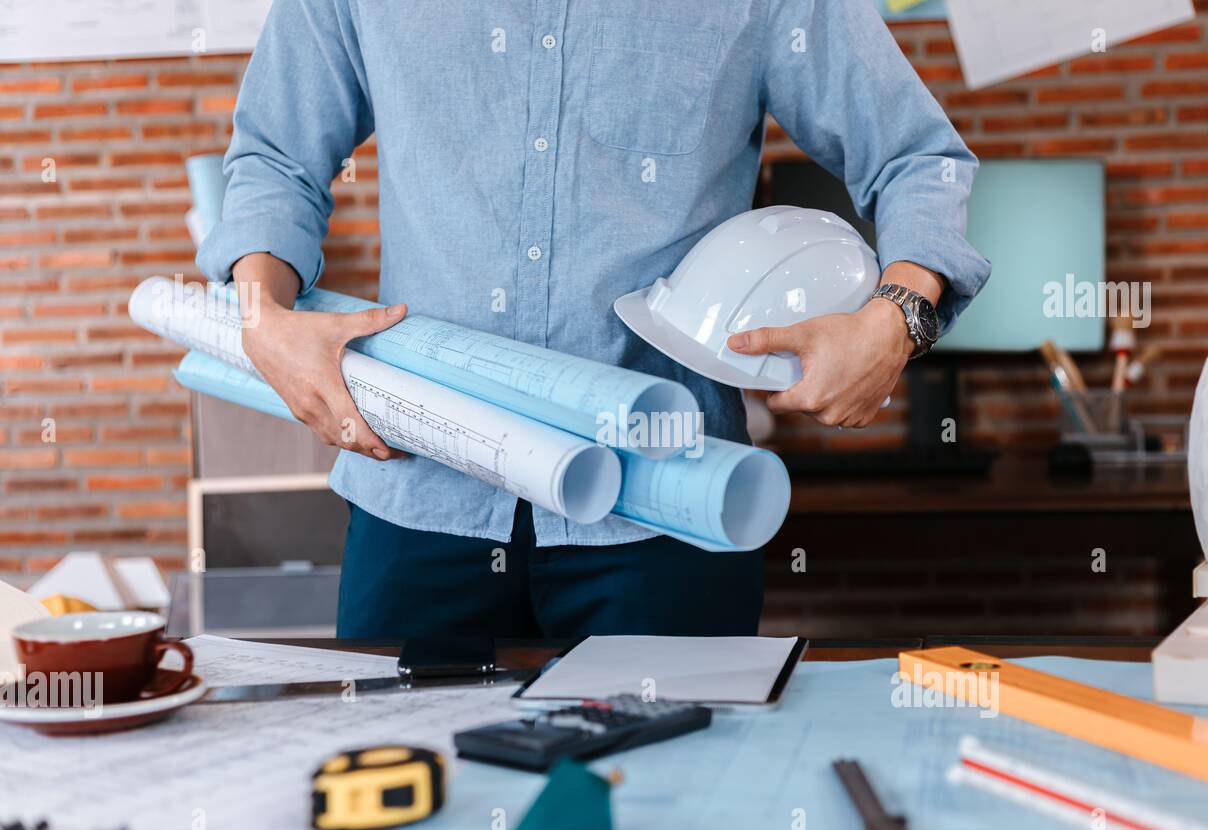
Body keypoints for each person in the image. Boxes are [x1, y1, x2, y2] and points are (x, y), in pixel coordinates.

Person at [198, 1, 991, 643]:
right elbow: (277, 157)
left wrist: (897, 321)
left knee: (670, 817)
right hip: (420, 497)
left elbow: (917, 157)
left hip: (667, 510)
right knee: (406, 821)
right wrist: (263, 317)